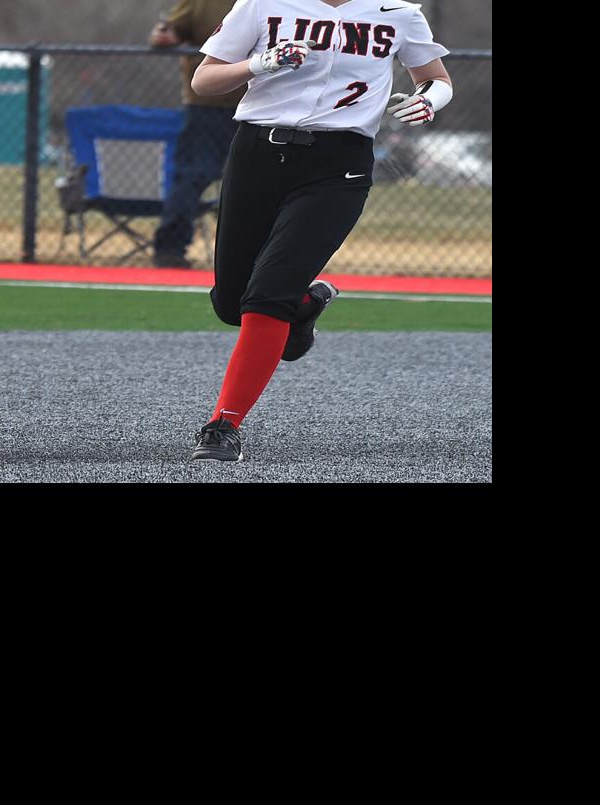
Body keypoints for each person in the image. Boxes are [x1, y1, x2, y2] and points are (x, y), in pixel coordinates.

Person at [185, 0, 453, 462]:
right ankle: (303, 306)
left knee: (265, 297)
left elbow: (437, 78)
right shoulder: (263, 4)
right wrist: (260, 63)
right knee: (233, 303)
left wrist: (428, 100)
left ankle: (223, 424)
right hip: (258, 154)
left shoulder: (397, 12)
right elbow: (203, 80)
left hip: (338, 164)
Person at [146, 0, 244, 270]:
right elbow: (172, 32)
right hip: (207, 107)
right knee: (192, 175)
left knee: (260, 182)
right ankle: (169, 249)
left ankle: (258, 254)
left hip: (264, 107)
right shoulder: (201, 3)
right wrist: (164, 36)